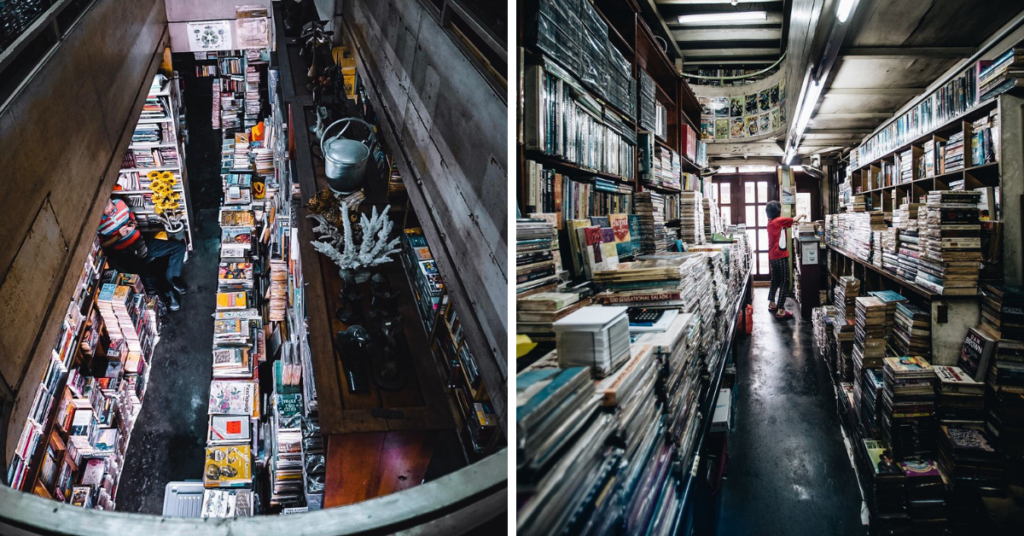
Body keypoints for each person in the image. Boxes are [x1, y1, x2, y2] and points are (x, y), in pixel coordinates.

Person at [98, 199, 187, 311]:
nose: (111, 212)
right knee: (146, 277)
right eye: (107, 211)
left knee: (179, 247)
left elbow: (133, 219)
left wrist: (133, 225)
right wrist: (117, 237)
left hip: (140, 243)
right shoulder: (98, 223)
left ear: (111, 200)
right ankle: (166, 296)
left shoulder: (120, 203)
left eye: (111, 208)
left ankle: (173, 279)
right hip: (125, 252)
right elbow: (102, 245)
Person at [765, 200, 805, 320]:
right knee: (785, 281)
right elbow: (795, 220)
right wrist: (802, 214)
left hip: (772, 256)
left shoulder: (771, 223)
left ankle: (772, 303)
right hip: (780, 255)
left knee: (775, 280)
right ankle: (781, 310)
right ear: (778, 211)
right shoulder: (779, 221)